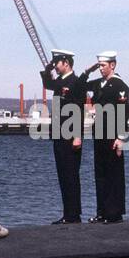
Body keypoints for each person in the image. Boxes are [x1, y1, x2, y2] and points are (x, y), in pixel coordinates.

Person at [40, 49, 87, 223]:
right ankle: (68, 214)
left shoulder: (76, 83)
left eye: (57, 63)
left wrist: (77, 136)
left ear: (66, 63)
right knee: (63, 176)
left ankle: (74, 215)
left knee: (71, 175)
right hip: (59, 135)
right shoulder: (60, 82)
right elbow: (47, 84)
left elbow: (78, 111)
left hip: (70, 136)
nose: (56, 66)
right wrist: (48, 69)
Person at [84, 51, 129, 223]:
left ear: (113, 65)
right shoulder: (98, 84)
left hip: (112, 134)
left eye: (103, 66)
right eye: (99, 66)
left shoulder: (120, 86)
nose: (100, 69)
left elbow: (123, 113)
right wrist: (88, 70)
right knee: (100, 174)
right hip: (100, 133)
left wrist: (120, 138)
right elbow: (79, 86)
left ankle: (114, 213)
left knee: (114, 174)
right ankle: (102, 211)